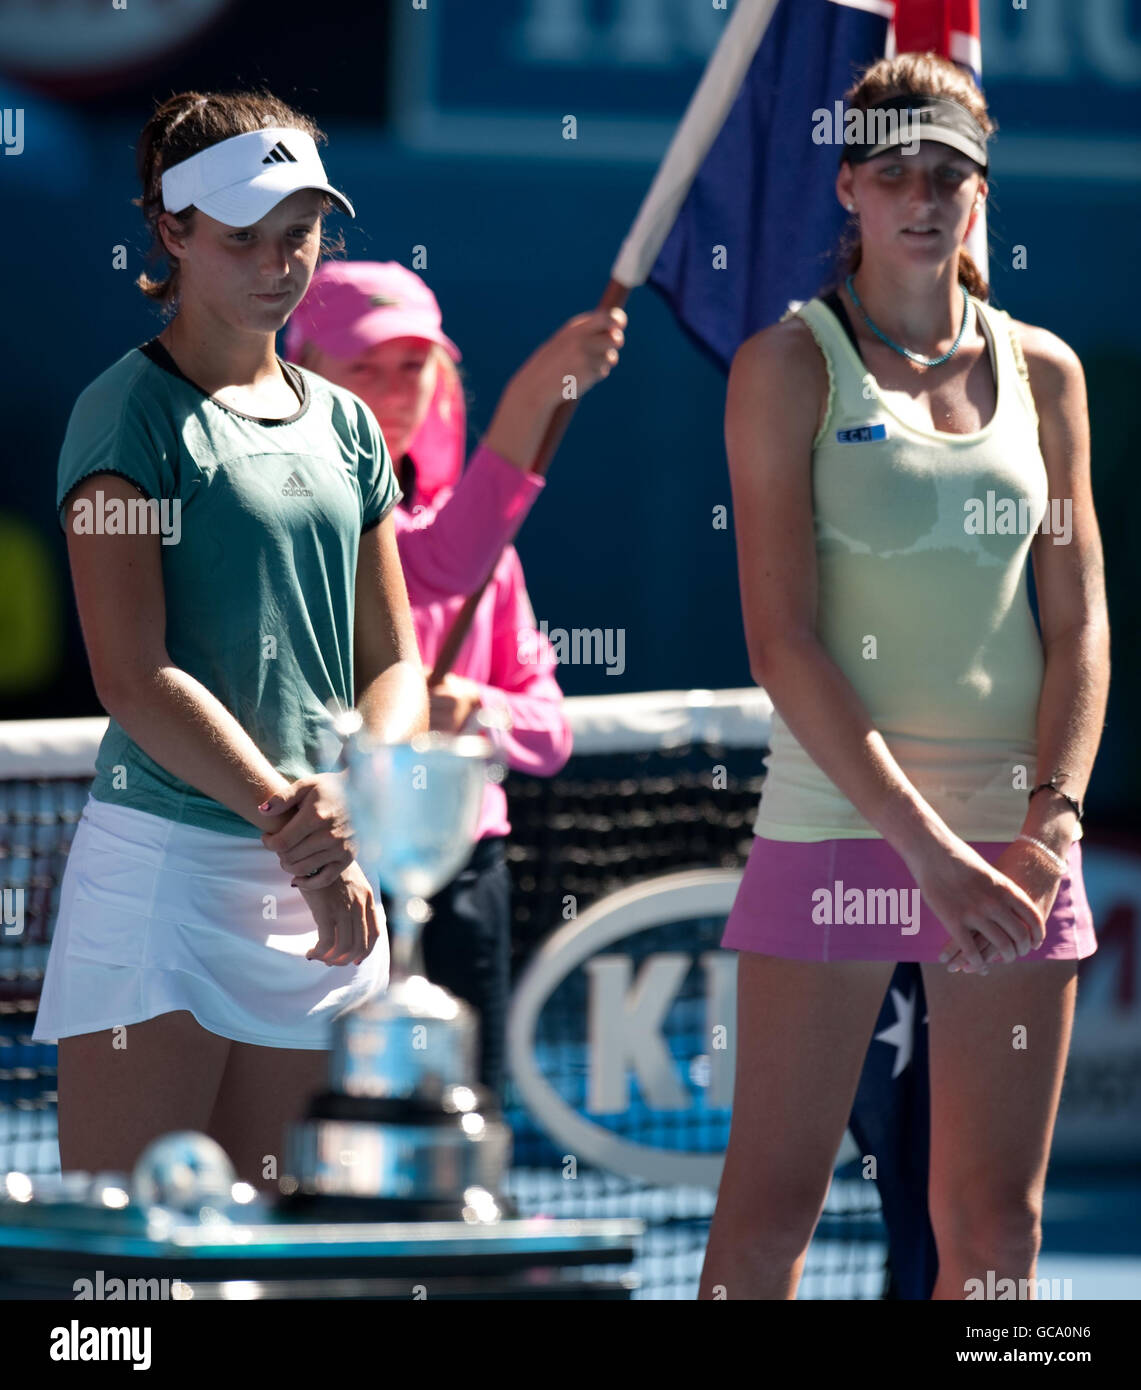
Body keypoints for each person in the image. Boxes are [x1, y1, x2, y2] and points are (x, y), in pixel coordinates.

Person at [699, 53, 1109, 1300]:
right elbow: (784, 644)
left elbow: (1080, 620)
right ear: (849, 189)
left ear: (980, 193)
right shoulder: (786, 368)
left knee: (998, 1234)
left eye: (949, 175)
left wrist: (1049, 825)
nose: (923, 198)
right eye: (895, 173)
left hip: (1019, 846)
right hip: (844, 827)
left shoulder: (1047, 372)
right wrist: (926, 850)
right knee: (770, 1217)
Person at [32, 90, 429, 1194]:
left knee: (289, 1253)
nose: (276, 262)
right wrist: (307, 835)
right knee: (130, 1271)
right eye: (242, 237)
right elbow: (135, 675)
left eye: (297, 233)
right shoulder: (124, 416)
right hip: (169, 881)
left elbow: (392, 661)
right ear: (172, 232)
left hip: (322, 874)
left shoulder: (346, 422)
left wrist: (360, 788)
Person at [284, 261, 626, 1102]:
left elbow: (549, 733)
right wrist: (535, 396)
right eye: (363, 364)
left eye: (413, 365)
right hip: (313, 867)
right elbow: (437, 561)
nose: (393, 390)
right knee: (315, 1125)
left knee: (463, 1113)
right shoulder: (296, 523)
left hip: (468, 870)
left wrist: (477, 710)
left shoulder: (485, 557)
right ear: (303, 372)